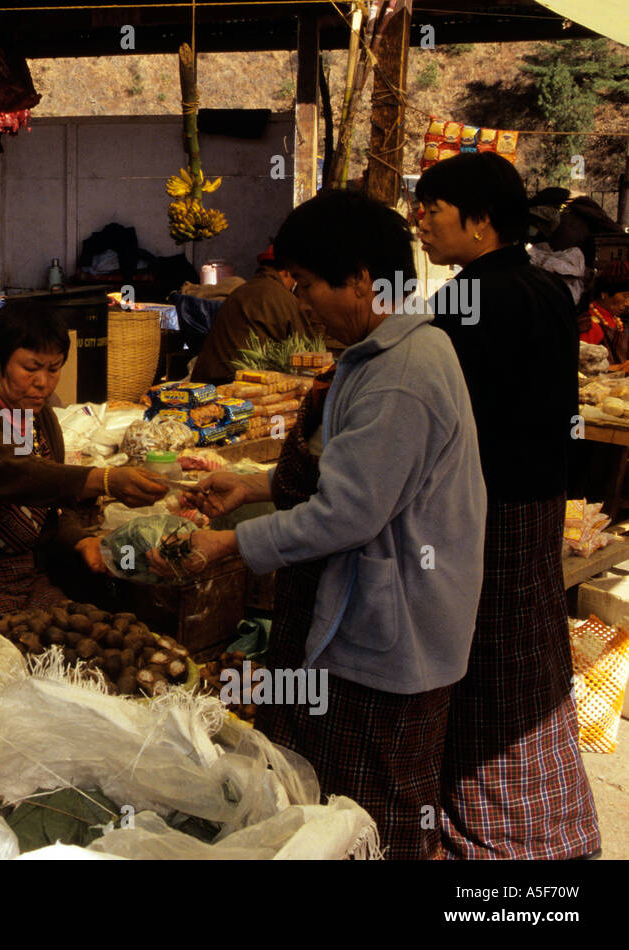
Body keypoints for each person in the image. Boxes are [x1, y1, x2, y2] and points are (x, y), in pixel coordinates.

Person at [170, 191, 487, 860]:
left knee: (375, 816)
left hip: (392, 636)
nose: (302, 303)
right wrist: (252, 485)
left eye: (309, 285)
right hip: (376, 623)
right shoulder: (376, 355)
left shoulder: (401, 373)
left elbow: (349, 513)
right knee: (335, 800)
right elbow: (349, 477)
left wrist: (229, 545)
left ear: (364, 280)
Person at [416, 152, 601, 860]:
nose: (422, 224)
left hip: (484, 509)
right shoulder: (547, 289)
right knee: (527, 659)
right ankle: (551, 823)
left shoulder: (470, 303)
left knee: (488, 664)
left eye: (433, 211)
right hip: (540, 502)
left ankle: (504, 836)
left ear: (480, 220)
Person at [0, 299, 168, 623]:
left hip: (21, 579)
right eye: (31, 368)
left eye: (54, 369)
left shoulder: (41, 418)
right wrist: (104, 479)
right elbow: (16, 473)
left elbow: (47, 508)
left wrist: (80, 540)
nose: (43, 382)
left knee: (85, 632)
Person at [191, 246, 323, 384]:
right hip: (239, 386)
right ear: (287, 272)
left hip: (206, 382)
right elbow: (308, 350)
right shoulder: (284, 299)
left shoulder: (239, 292)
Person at [578, 274, 629, 364]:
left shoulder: (617, 321)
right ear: (604, 294)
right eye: (625, 296)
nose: (627, 303)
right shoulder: (588, 323)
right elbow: (583, 366)